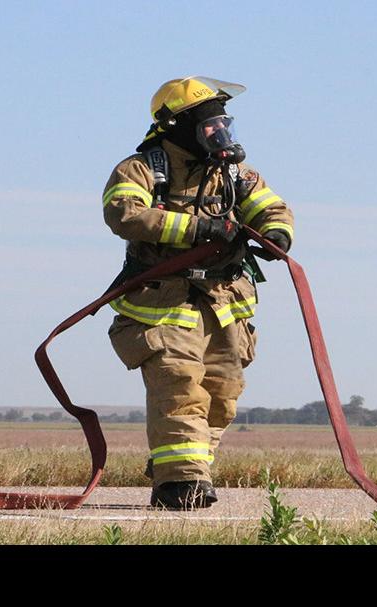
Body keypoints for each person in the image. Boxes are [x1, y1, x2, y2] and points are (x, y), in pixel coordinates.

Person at [101, 76, 294, 509]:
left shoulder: (234, 175)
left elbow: (271, 206)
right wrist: (197, 228)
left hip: (224, 303)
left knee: (221, 395)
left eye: (223, 124)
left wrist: (276, 234)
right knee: (179, 386)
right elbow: (123, 213)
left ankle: (189, 468)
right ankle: (180, 483)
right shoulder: (142, 168)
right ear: (179, 126)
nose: (220, 133)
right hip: (162, 303)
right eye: (209, 126)